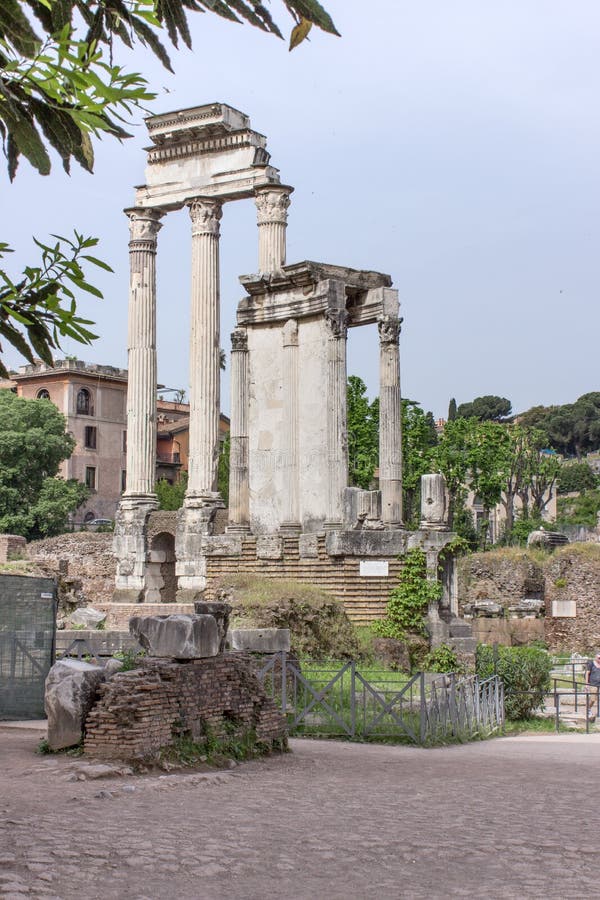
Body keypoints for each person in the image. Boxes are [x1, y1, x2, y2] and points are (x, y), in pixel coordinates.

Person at [585, 652, 600, 721]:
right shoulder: (591, 663)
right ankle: (588, 709)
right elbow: (587, 673)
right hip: (593, 684)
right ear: (596, 657)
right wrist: (586, 684)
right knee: (593, 699)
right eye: (599, 658)